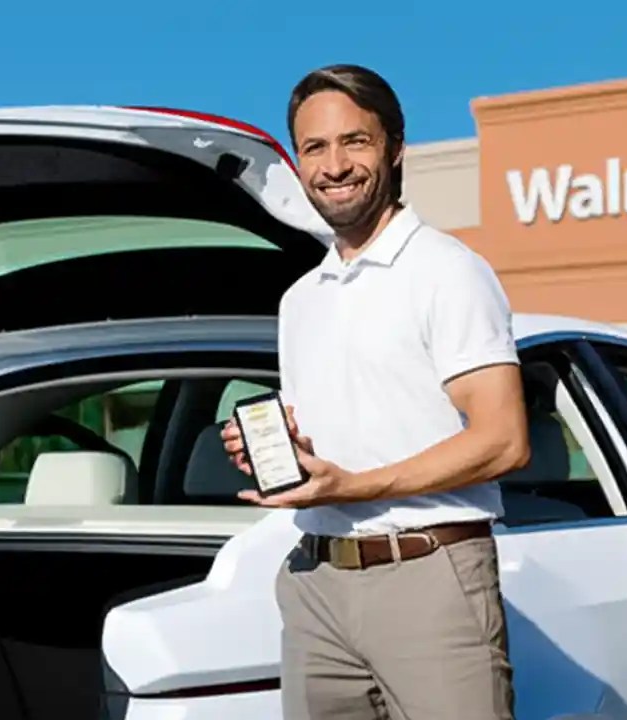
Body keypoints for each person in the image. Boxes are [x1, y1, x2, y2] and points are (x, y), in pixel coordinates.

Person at [220, 64, 531, 720]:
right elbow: (347, 429)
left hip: (429, 576)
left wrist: (354, 486)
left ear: (395, 148)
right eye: (314, 147)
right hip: (316, 583)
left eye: (354, 142)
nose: (334, 165)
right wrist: (283, 455)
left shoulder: (448, 272)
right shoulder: (299, 300)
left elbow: (502, 440)